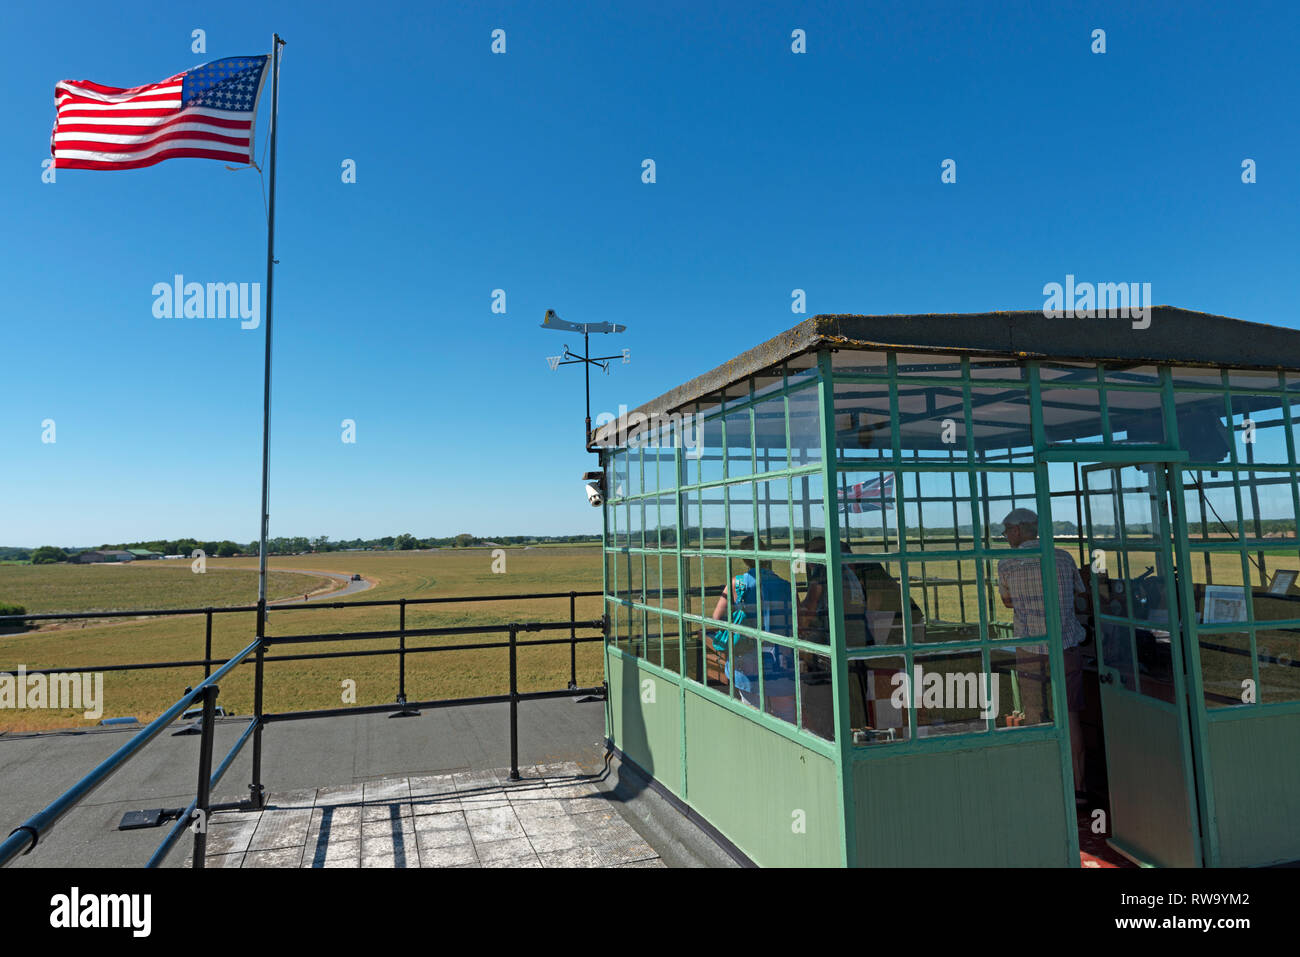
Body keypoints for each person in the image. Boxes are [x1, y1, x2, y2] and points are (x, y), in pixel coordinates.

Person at [996, 507, 1087, 802]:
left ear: (1018, 530)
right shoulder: (1063, 556)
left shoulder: (1008, 563)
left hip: (1031, 647)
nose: (1006, 537)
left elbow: (1008, 603)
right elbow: (1078, 593)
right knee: (1071, 715)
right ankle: (1078, 786)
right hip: (1066, 645)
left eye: (1007, 531)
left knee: (1036, 715)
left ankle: (1044, 785)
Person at [708, 536, 796, 719]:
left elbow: (717, 619)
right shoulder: (786, 586)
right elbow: (799, 619)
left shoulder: (736, 584)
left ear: (744, 558)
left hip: (747, 659)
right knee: (786, 714)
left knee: (754, 716)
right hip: (781, 658)